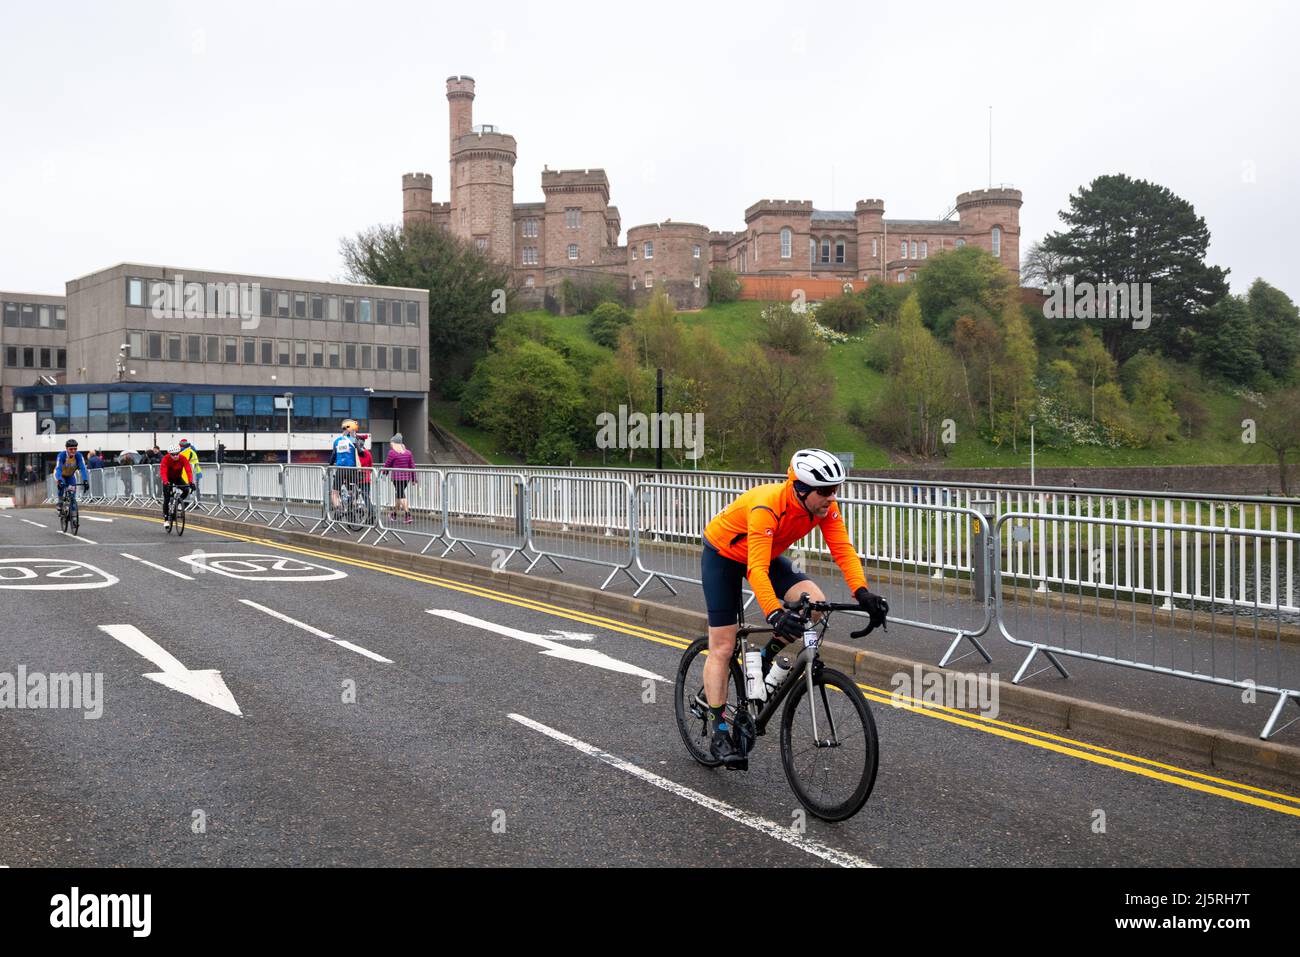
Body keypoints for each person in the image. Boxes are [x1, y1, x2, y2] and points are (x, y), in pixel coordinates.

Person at [698, 448, 889, 767]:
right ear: (801, 489)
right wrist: (774, 612)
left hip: (765, 555)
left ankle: (762, 657)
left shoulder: (824, 509)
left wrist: (862, 593)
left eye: (836, 490)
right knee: (723, 645)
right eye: (825, 491)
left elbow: (843, 550)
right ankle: (719, 734)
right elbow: (756, 569)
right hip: (723, 557)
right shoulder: (767, 505)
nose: (832, 497)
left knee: (814, 604)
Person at [382, 433, 417, 524]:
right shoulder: (408, 453)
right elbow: (412, 466)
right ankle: (394, 514)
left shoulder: (392, 453)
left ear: (394, 443)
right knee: (399, 495)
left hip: (397, 478)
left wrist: (383, 474)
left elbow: (387, 465)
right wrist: (413, 479)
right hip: (406, 478)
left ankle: (407, 514)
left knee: (401, 495)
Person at [158, 445, 195, 530]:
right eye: (173, 454)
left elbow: (188, 470)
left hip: (178, 477)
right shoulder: (165, 459)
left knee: (186, 489)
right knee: (167, 498)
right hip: (167, 478)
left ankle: (178, 502)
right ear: (169, 454)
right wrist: (166, 482)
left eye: (177, 454)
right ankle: (166, 519)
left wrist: (191, 482)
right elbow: (163, 472)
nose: (175, 456)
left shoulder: (183, 458)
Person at [328, 418, 360, 511]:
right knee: (351, 491)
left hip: (340, 469)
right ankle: (351, 509)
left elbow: (333, 456)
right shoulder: (354, 440)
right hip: (352, 469)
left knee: (334, 492)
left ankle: (338, 510)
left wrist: (329, 465)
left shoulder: (337, 441)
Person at [54, 439, 90, 516]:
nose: (73, 451)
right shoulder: (61, 455)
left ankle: (73, 513)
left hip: (70, 475)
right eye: (71, 449)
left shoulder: (78, 456)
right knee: (61, 486)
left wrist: (85, 480)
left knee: (72, 494)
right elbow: (59, 469)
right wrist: (59, 480)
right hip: (60, 475)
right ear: (66, 449)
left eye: (75, 449)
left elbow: (83, 468)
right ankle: (60, 501)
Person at [178, 439, 202, 503]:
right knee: (194, 488)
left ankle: (193, 503)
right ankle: (195, 503)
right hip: (194, 472)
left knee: (191, 488)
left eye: (180, 446)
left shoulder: (187, 452)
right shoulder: (190, 450)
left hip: (192, 472)